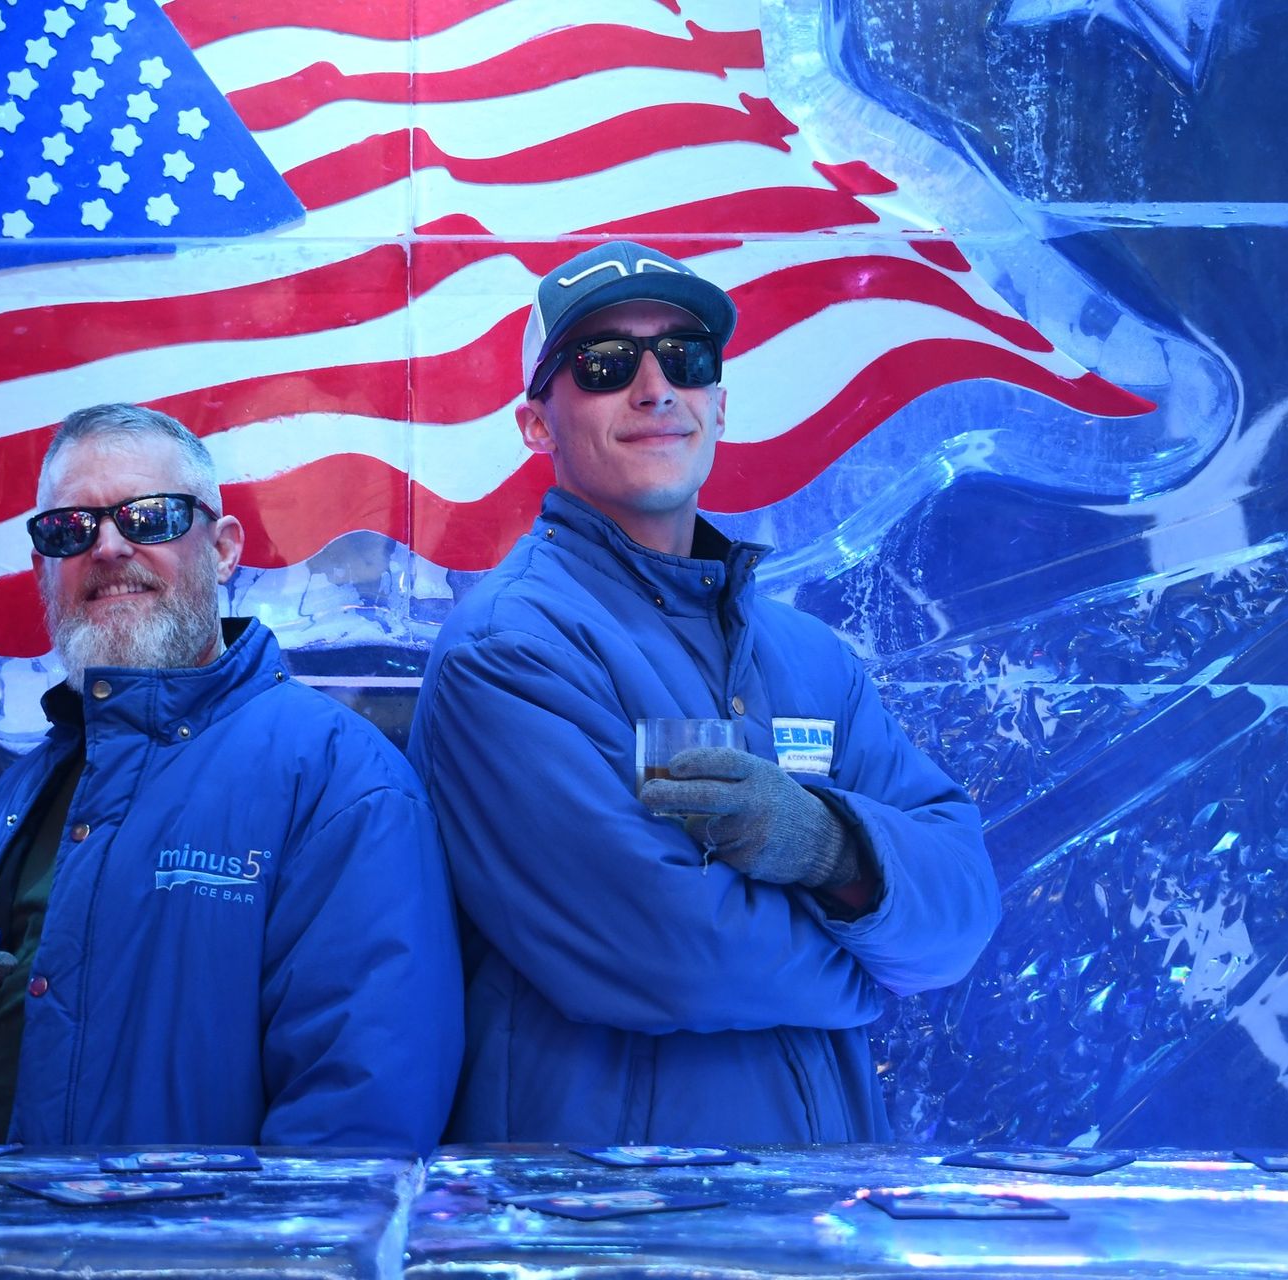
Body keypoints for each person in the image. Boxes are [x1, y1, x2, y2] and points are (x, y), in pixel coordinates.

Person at [407, 240, 1001, 1143]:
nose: (654, 389)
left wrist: (831, 848)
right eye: (604, 366)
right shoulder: (507, 652)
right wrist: (875, 965)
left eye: (684, 360)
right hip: (604, 1224)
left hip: (816, 1213)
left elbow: (962, 908)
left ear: (719, 406)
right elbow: (670, 955)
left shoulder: (812, 658)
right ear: (538, 424)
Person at [0, 402, 463, 1150]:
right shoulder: (28, 786)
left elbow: (358, 1122)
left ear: (226, 547)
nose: (108, 545)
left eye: (151, 517)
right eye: (69, 529)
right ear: (44, 565)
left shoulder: (340, 778)